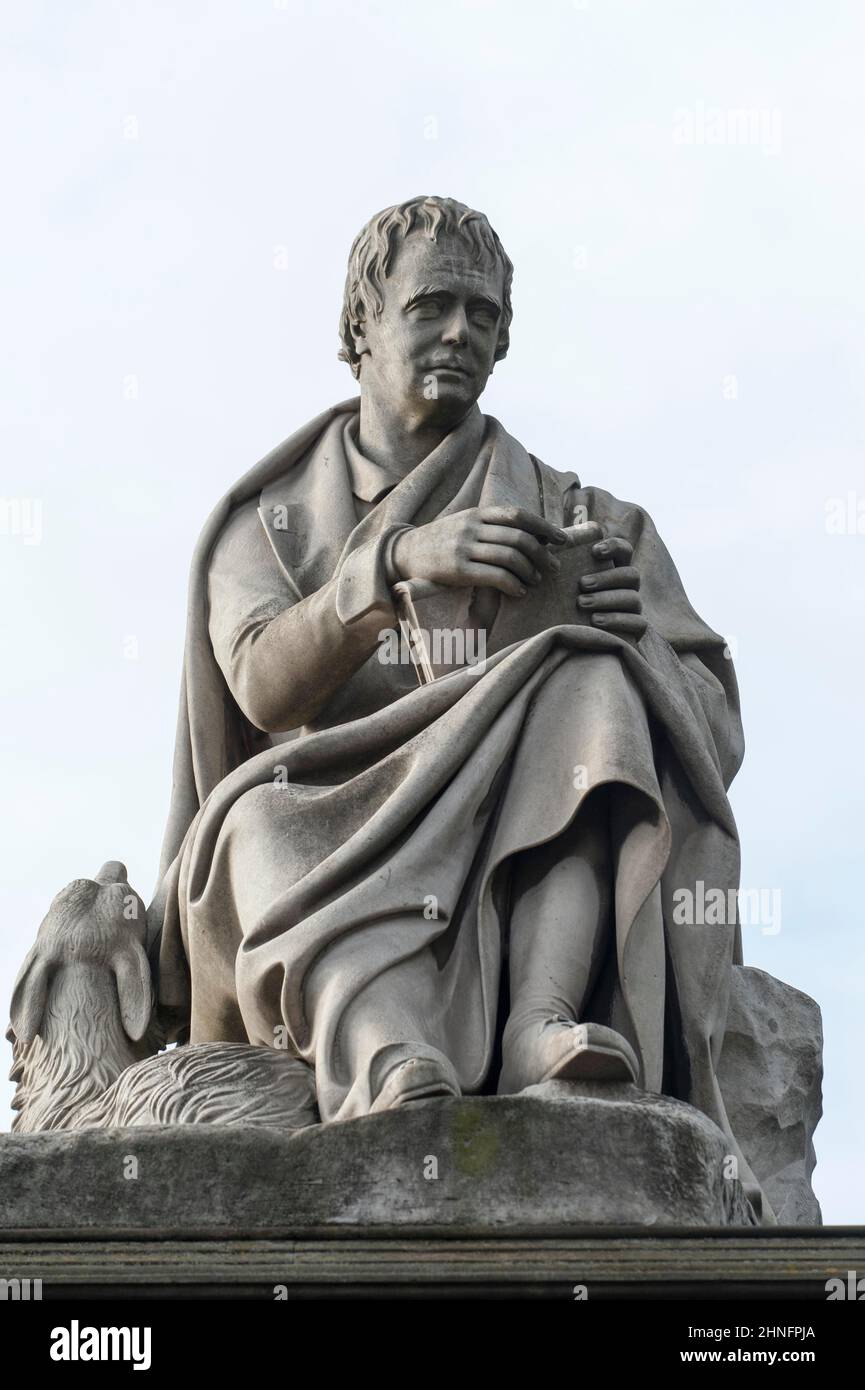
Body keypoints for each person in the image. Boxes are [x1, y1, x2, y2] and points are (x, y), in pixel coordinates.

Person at [151, 195, 766, 1213]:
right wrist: (385, 571)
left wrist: (640, 639)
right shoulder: (262, 522)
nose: (460, 334)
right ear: (361, 325)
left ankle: (543, 1015)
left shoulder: (581, 514)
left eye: (483, 316)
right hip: (320, 805)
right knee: (254, 832)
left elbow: (716, 724)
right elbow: (260, 679)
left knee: (594, 683)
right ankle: (384, 1052)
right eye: (432, 306)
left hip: (503, 814)